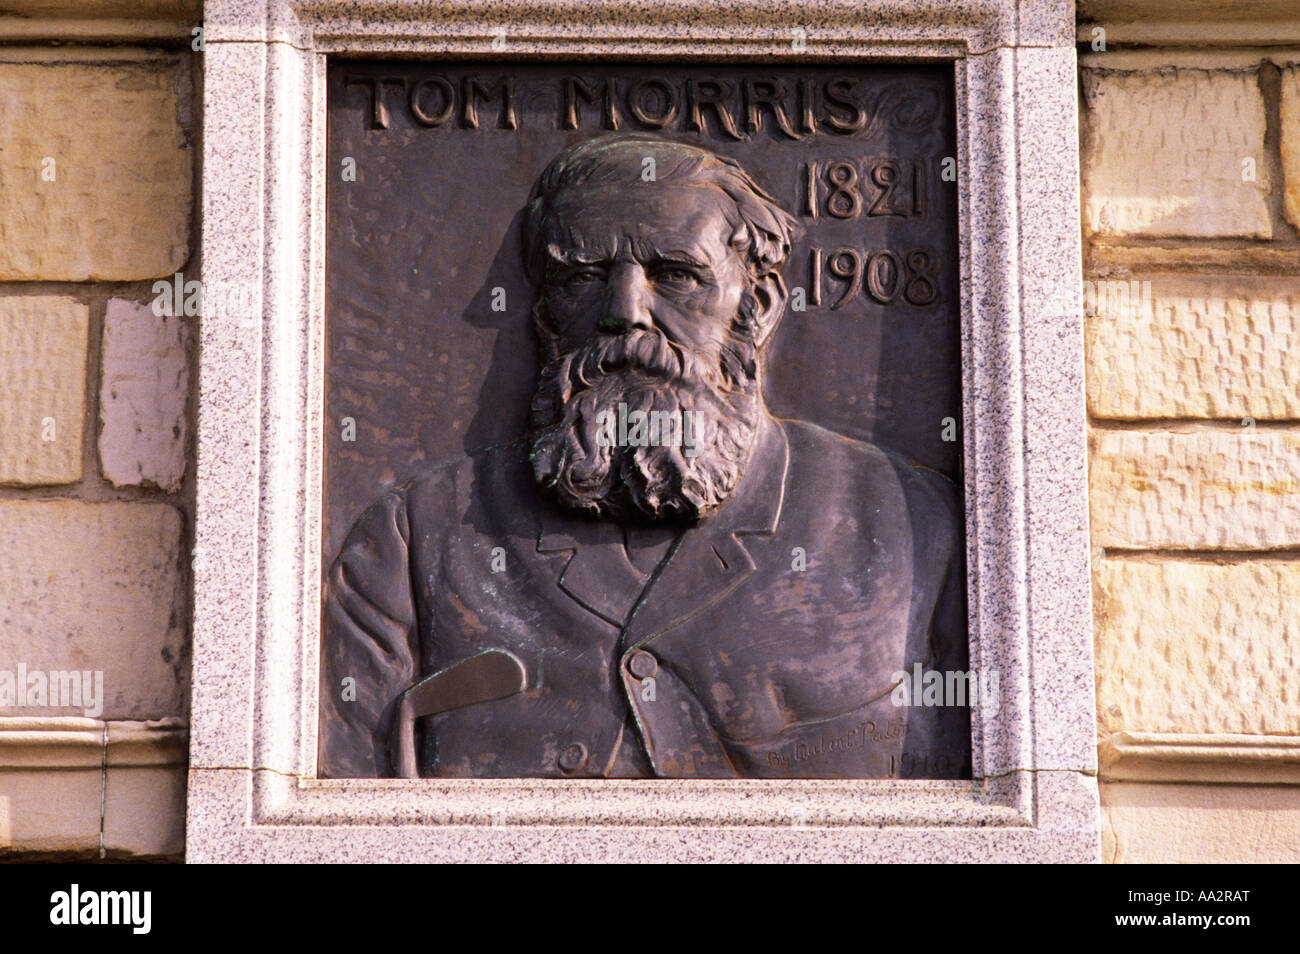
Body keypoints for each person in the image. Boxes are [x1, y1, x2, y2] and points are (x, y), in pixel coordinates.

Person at [319, 134, 969, 779]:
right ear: (544, 310)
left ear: (759, 307)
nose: (625, 315)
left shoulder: (912, 526)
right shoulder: (416, 539)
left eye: (676, 275)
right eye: (581, 278)